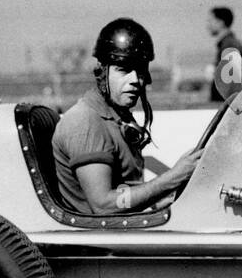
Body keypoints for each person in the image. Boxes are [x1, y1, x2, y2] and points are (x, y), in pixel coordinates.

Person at [53, 17, 201, 214]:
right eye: (123, 69)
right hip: (100, 242)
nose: (135, 80)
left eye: (140, 70)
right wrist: (174, 176)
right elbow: (103, 205)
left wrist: (162, 199)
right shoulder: (85, 122)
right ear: (102, 72)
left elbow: (125, 192)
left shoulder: (115, 116)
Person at [207, 6, 242, 101]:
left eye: (210, 21)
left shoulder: (229, 44)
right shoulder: (229, 43)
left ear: (220, 22)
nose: (208, 25)